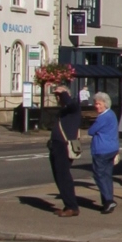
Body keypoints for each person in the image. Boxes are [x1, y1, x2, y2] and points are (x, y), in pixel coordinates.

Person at [47, 83, 81, 217]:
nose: (58, 98)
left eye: (59, 95)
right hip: (56, 145)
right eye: (56, 95)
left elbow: (71, 104)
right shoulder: (63, 110)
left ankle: (72, 207)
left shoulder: (74, 108)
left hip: (64, 146)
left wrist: (64, 93)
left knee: (64, 176)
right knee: (58, 176)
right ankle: (68, 205)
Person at [88, 92, 119, 213]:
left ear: (105, 104)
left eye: (99, 104)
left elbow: (91, 131)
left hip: (101, 150)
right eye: (95, 104)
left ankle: (108, 200)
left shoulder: (103, 117)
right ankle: (107, 202)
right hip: (112, 149)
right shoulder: (112, 114)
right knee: (107, 176)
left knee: (99, 175)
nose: (96, 106)